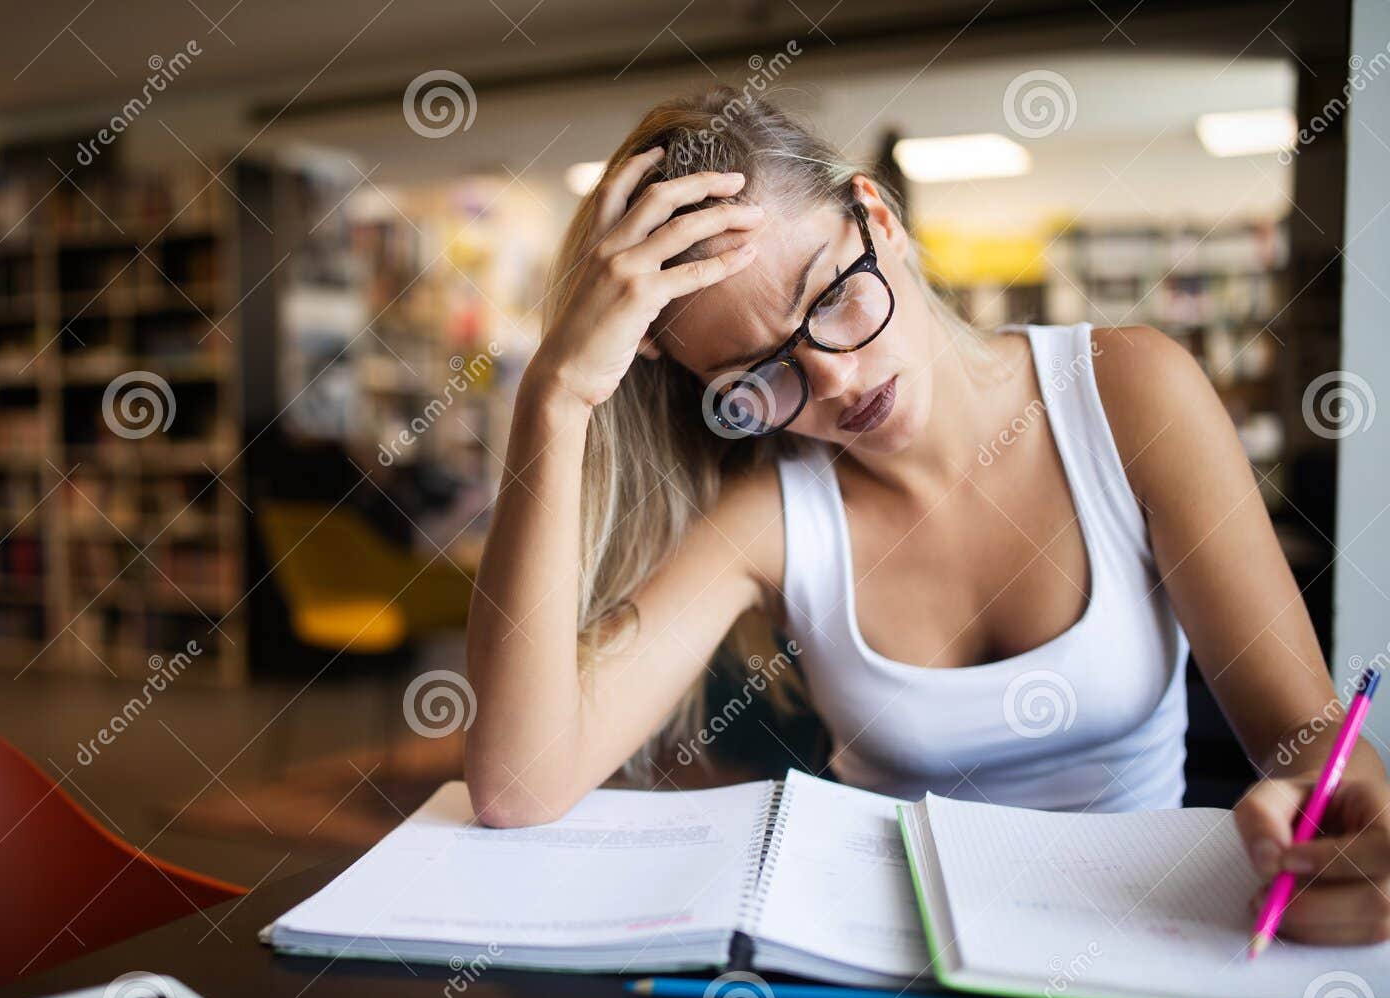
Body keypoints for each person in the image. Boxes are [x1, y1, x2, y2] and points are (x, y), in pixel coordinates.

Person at [463, 87, 1390, 946]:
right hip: (889, 986)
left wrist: (1336, 812)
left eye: (832, 295)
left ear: (879, 218)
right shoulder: (774, 516)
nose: (834, 376)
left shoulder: (1130, 393)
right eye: (760, 374)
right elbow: (518, 783)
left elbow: (1309, 745)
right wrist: (557, 396)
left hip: (1143, 958)